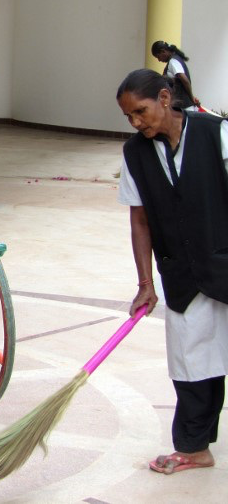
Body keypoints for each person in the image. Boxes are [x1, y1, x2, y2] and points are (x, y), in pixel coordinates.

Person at [116, 68, 228, 475]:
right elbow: (140, 221)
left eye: (140, 111)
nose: (136, 122)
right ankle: (195, 448)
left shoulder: (217, 133)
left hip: (223, 264)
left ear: (165, 98)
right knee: (192, 363)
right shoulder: (134, 153)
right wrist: (146, 283)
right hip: (181, 273)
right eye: (128, 117)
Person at [151, 40, 200, 111]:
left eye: (158, 57)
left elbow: (184, 80)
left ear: (163, 51)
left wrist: (191, 97)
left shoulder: (173, 62)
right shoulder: (176, 59)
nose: (159, 60)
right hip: (184, 107)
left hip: (183, 108)